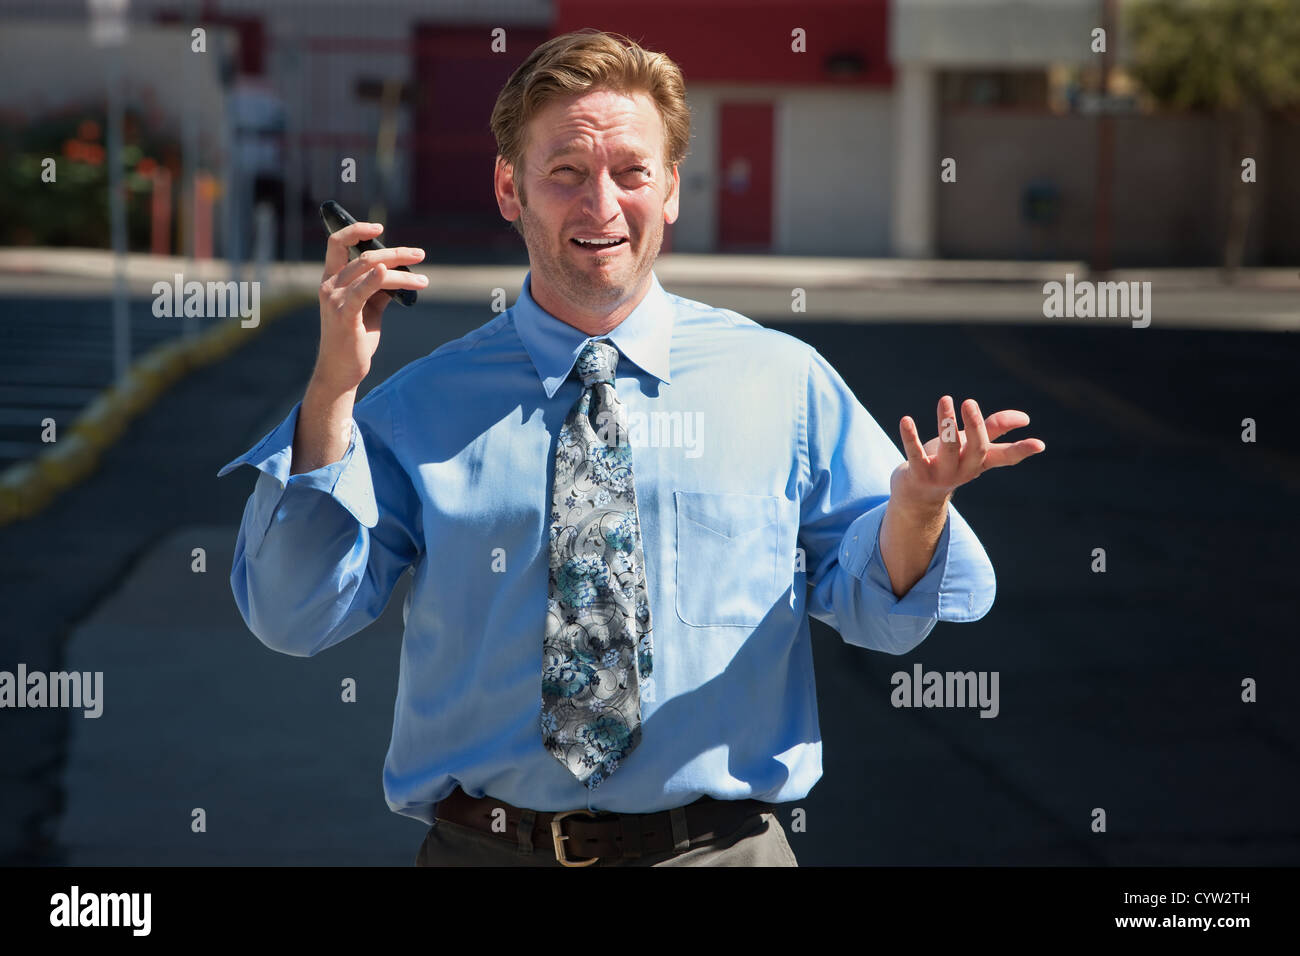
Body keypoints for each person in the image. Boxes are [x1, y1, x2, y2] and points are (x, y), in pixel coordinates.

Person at [217, 29, 1044, 867]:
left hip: (721, 854)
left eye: (632, 172)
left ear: (672, 188)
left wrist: (917, 508)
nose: (601, 205)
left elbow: (884, 612)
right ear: (511, 187)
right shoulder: (415, 410)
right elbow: (296, 614)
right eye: (566, 172)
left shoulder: (782, 384)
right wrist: (331, 390)